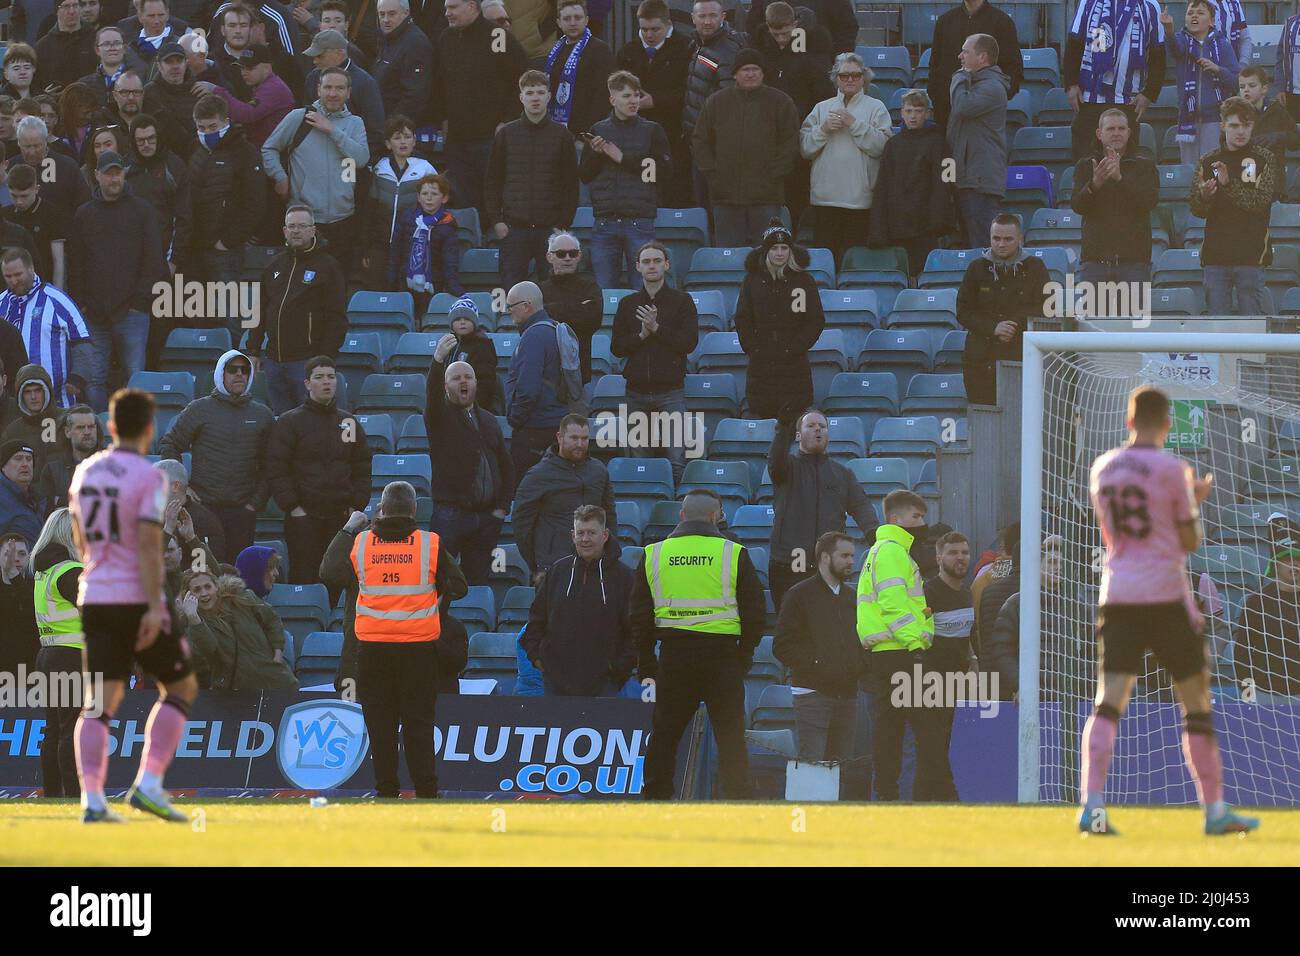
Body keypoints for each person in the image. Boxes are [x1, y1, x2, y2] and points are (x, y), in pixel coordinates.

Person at [1083, 384, 1258, 835]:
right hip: (1164, 597)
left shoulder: (1103, 468)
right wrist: (1193, 502)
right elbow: (1188, 542)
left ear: (1128, 420)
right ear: (1167, 424)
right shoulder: (1172, 469)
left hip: (1119, 594)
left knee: (1109, 702)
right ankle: (1215, 811)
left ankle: (1092, 808)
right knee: (1196, 705)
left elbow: (1115, 535)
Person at [69, 388, 198, 823]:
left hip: (96, 596)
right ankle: (148, 785)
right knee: (180, 687)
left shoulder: (85, 472)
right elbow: (148, 545)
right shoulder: (148, 478)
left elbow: (81, 539)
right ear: (148, 429)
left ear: (109, 426)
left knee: (99, 703)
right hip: (134, 597)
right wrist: (155, 605)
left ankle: (92, 800)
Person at [319, 480, 468, 798]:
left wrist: (348, 530)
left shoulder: (361, 544)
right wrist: (430, 597)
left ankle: (386, 790)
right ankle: (427, 790)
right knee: (419, 723)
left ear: (382, 510)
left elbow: (329, 572)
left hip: (372, 649)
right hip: (418, 649)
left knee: (380, 723)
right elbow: (459, 586)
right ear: (414, 510)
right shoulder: (430, 544)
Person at [633, 489, 764, 799]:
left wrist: (648, 664)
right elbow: (756, 613)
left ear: (681, 516)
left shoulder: (653, 554)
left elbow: (638, 618)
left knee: (664, 735)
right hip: (721, 657)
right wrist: (743, 657)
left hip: (674, 657)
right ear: (715, 517)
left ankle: (655, 799)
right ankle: (736, 800)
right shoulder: (733, 553)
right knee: (730, 737)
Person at [857, 489, 948, 802]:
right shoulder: (894, 552)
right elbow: (894, 604)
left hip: (887, 652)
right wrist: (916, 643)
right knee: (926, 729)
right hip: (901, 652)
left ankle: (887, 794)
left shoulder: (881, 552)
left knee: (890, 730)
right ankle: (933, 796)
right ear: (896, 519)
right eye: (916, 516)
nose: (921, 522)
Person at [265, 355, 372, 598]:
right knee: (305, 576)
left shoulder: (347, 423)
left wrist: (356, 503)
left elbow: (361, 464)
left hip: (340, 519)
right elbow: (277, 467)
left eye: (331, 377)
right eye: (320, 377)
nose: (327, 382)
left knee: (338, 578)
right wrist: (293, 506)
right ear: (307, 383)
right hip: (304, 518)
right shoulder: (291, 422)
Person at [67, 151, 164, 413]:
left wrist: (140, 301)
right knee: (94, 379)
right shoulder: (83, 214)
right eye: (108, 173)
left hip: (133, 311)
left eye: (117, 172)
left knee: (136, 378)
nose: (113, 178)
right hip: (94, 314)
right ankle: (97, 434)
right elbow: (75, 264)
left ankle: (135, 437)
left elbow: (154, 259)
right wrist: (82, 306)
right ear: (96, 175)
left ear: (124, 172)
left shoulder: (142, 210)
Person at [158, 350, 274, 562]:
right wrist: (185, 488)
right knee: (204, 571)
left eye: (245, 370)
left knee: (236, 573)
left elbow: (271, 464)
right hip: (204, 507)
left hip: (242, 510)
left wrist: (255, 503)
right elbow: (170, 444)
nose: (239, 374)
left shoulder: (262, 415)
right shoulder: (199, 409)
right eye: (232, 370)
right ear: (221, 373)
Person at [767, 407, 878, 607]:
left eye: (822, 426)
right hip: (789, 564)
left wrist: (875, 537)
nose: (818, 429)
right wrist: (783, 428)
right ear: (798, 435)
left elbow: (862, 507)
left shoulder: (843, 474)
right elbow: (775, 462)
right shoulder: (787, 468)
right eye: (811, 426)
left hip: (829, 566)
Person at [522, 504, 635, 696]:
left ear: (605, 535)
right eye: (580, 533)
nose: (585, 539)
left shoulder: (625, 577)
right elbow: (536, 618)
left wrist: (617, 669)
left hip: (604, 684)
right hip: (555, 682)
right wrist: (538, 658)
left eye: (591, 532)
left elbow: (635, 631)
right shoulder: (558, 571)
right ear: (573, 535)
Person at [609, 240, 697, 485]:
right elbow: (616, 348)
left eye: (657, 260)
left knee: (676, 459)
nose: (652, 266)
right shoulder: (627, 304)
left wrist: (656, 328)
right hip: (635, 393)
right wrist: (642, 335)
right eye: (646, 261)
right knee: (640, 462)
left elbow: (688, 343)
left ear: (667, 265)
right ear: (637, 266)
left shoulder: (682, 301)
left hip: (671, 393)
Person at [774, 530, 864, 765]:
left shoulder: (852, 597)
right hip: (812, 695)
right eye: (845, 556)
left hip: (847, 695)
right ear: (825, 557)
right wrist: (817, 664)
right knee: (813, 768)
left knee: (842, 768)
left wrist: (858, 669)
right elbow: (782, 646)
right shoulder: (799, 595)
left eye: (853, 556)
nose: (851, 562)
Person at [693, 48, 799, 247]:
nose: (750, 74)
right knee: (729, 254)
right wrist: (713, 174)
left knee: (767, 252)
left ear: (763, 73)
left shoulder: (781, 102)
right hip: (725, 196)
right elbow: (700, 141)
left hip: (767, 196)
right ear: (734, 74)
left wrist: (775, 175)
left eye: (755, 69)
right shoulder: (716, 102)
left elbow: (790, 143)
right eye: (745, 70)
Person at [485, 71, 580, 289]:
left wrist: (563, 226)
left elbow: (571, 186)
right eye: (530, 93)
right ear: (521, 97)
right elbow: (492, 181)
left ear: (549, 96)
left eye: (540, 92)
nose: (535, 97)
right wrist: (496, 221)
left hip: (550, 231)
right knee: (513, 292)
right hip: (513, 230)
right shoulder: (506, 135)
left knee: (552, 293)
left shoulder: (562, 136)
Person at [261, 67, 369, 257]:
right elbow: (269, 148)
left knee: (337, 280)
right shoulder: (299, 117)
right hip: (303, 220)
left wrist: (331, 130)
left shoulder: (355, 123)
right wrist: (280, 176)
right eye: (328, 87)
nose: (333, 94)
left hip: (343, 218)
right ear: (318, 89)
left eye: (339, 88)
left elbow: (360, 159)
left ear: (348, 92)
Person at [250, 204, 347, 414]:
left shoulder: (328, 267)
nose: (296, 230)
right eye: (291, 226)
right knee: (282, 422)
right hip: (274, 363)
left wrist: (323, 360)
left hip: (306, 363)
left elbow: (337, 318)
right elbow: (258, 310)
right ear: (284, 231)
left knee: (310, 423)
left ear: (313, 230)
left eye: (302, 226)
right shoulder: (273, 265)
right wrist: (253, 350)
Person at [579, 71, 672, 290]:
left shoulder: (652, 130)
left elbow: (664, 172)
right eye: (627, 96)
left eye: (637, 96)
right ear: (612, 100)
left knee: (643, 290)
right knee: (605, 291)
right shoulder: (599, 130)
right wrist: (596, 153)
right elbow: (585, 175)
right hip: (605, 223)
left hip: (639, 222)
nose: (634, 101)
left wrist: (622, 158)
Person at [437, 0, 528, 220]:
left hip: (491, 138)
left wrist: (507, 120)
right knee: (463, 199)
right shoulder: (445, 39)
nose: (447, 13)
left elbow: (522, 79)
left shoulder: (497, 36)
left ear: (471, 6)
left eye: (453, 8)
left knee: (492, 197)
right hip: (457, 140)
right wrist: (444, 122)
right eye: (446, 8)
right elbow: (439, 85)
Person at [424, 358, 511, 585]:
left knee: (477, 581)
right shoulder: (439, 417)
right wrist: (437, 363)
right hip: (450, 516)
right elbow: (432, 397)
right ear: (445, 386)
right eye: (456, 378)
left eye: (468, 377)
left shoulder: (490, 421)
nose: (463, 381)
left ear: (475, 382)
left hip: (486, 518)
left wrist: (502, 507)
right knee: (438, 579)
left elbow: (506, 465)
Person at [800, 51, 892, 265]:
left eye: (856, 75)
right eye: (844, 75)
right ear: (836, 79)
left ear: (864, 77)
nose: (850, 79)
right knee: (826, 261)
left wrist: (855, 124)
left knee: (855, 262)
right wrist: (823, 129)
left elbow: (883, 147)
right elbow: (805, 149)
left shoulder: (876, 107)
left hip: (860, 201)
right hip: (825, 199)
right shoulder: (821, 108)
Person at [1190, 95, 1275, 316]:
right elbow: (1196, 209)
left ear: (1253, 126)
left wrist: (1228, 185)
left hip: (1251, 255)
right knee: (1219, 329)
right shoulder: (1207, 162)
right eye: (1234, 125)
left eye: (1246, 125)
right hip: (1215, 256)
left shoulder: (1265, 159)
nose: (1241, 131)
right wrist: (1205, 197)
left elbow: (1259, 203)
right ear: (1223, 125)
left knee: (1252, 328)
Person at [733, 218, 825, 422]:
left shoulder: (804, 281)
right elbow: (743, 319)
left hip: (794, 367)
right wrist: (753, 348)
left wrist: (795, 347)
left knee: (792, 429)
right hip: (761, 367)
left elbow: (815, 320)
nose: (780, 253)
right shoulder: (752, 281)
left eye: (784, 247)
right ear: (766, 251)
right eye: (775, 247)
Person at [173, 93, 265, 289]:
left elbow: (255, 202)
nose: (207, 133)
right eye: (201, 128)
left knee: (227, 313)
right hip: (195, 246)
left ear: (226, 122)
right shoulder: (194, 148)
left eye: (213, 127)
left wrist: (228, 241)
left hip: (225, 250)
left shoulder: (246, 153)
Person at [956, 213, 1049, 406]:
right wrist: (993, 328)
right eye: (996, 238)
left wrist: (1014, 326)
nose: (1001, 244)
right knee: (983, 418)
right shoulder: (976, 268)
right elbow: (963, 311)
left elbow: (1046, 307)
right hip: (980, 362)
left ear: (1020, 239)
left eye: (1008, 239)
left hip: (1022, 357)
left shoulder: (1035, 267)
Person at [513, 413, 618, 579]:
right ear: (559, 437)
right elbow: (522, 524)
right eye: (574, 438)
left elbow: (609, 515)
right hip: (552, 566)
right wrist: (537, 563)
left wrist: (610, 552)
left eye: (584, 439)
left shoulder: (599, 471)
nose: (580, 444)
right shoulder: (538, 475)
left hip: (593, 564)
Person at [1065, 0, 1166, 161]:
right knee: (1085, 163)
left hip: (1127, 99)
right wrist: (1070, 83)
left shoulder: (1150, 5)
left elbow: (1158, 52)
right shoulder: (1088, 1)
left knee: (1125, 165)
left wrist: (1149, 93)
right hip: (1089, 98)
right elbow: (1075, 41)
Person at [867, 89, 954, 277]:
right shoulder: (893, 144)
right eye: (908, 111)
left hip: (926, 225)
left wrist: (938, 220)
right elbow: (883, 185)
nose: (913, 116)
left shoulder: (940, 143)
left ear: (927, 113)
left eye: (918, 111)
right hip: (898, 223)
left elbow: (946, 183)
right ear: (901, 113)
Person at [1070, 107, 1159, 286]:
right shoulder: (1086, 166)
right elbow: (1077, 206)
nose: (1116, 133)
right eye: (1110, 129)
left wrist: (1120, 179)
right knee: (1094, 315)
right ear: (1099, 133)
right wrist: (1094, 184)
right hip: (1095, 264)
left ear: (1129, 133)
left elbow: (1148, 203)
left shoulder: (1145, 166)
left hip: (1134, 264)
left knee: (1134, 315)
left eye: (1121, 129)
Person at [615, 0, 692, 206]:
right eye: (644, 29)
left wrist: (656, 101)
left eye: (655, 29)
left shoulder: (685, 48)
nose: (649, 35)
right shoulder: (627, 52)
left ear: (668, 24)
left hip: (673, 132)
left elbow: (690, 91)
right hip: (635, 133)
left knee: (672, 187)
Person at [30, 508, 83, 798]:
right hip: (72, 657)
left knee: (54, 729)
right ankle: (75, 796)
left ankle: (53, 794)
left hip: (49, 655)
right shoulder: (71, 572)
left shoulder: (45, 572)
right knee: (72, 729)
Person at [177, 564, 298, 689]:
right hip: (234, 694)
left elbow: (271, 619)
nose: (204, 593)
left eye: (208, 587)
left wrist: (278, 652)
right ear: (188, 596)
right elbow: (210, 650)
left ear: (216, 587)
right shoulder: (192, 627)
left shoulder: (242, 598)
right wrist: (194, 619)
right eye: (197, 590)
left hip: (276, 681)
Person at [0, 247, 90, 409]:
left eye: (18, 275)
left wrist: (77, 377)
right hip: (10, 406)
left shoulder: (57, 300)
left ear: (31, 268)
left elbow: (82, 341)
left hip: (57, 403)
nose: (13, 281)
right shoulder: (1, 303)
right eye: (8, 276)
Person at [922, 529, 974, 801]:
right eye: (953, 553)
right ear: (939, 557)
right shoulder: (927, 593)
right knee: (933, 749)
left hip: (959, 685)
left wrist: (973, 660)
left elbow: (965, 638)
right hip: (931, 686)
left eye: (964, 552)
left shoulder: (966, 594)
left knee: (951, 747)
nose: (960, 558)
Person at [504, 280, 570, 487]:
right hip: (553, 423)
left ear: (527, 305)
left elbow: (528, 388)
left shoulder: (534, 335)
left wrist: (516, 418)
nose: (509, 313)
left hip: (534, 429)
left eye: (511, 307)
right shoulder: (553, 329)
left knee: (527, 492)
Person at [947, 32, 1009, 250]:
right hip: (968, 176)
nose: (960, 56)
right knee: (969, 244)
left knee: (982, 245)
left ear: (982, 58)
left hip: (981, 181)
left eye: (966, 51)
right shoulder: (974, 83)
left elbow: (963, 107)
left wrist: (958, 76)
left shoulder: (992, 87)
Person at [361, 113, 437, 290]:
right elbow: (369, 211)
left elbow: (436, 207)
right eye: (397, 137)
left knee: (407, 291)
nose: (403, 142)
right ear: (388, 143)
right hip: (381, 244)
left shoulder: (425, 169)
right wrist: (365, 247)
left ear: (414, 140)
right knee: (378, 289)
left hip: (411, 244)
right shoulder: (380, 168)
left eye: (407, 137)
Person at [681, 0, 745, 209]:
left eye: (713, 16)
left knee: (713, 205)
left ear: (723, 17)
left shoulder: (728, 49)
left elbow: (730, 100)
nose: (707, 21)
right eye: (702, 16)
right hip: (698, 140)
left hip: (715, 145)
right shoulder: (698, 44)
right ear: (693, 18)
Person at [1163, 0, 1240, 166]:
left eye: (1200, 12)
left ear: (1211, 20)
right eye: (1190, 13)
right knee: (1190, 170)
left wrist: (1218, 69)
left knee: (1213, 168)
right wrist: (1169, 30)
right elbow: (1174, 49)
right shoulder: (1180, 40)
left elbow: (1236, 82)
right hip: (1187, 118)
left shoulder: (1223, 45)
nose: (1194, 16)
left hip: (1214, 118)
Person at [125, 114, 188, 315]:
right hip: (131, 263)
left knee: (163, 323)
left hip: (164, 260)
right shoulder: (124, 168)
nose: (146, 144)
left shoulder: (174, 166)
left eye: (151, 138)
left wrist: (173, 260)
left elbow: (184, 218)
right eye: (141, 140)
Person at [927, 0, 1022, 128]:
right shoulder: (945, 21)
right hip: (947, 112)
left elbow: (1013, 68)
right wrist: (938, 98)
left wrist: (992, 98)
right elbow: (935, 65)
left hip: (985, 117)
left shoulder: (1002, 22)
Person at [1234, 542, 1300, 702]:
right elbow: (1242, 651)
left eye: (1298, 559)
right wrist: (1247, 692)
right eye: (1287, 559)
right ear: (1275, 564)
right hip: (1265, 693)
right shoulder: (1256, 602)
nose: (1295, 564)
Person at [303, 29, 385, 159]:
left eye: (320, 56)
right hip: (317, 157)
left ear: (339, 53)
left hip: (351, 162)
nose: (315, 61)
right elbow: (307, 120)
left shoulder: (365, 83)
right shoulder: (313, 78)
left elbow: (375, 132)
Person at [198, 43, 295, 147]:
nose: (244, 72)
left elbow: (248, 114)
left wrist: (216, 90)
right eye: (242, 68)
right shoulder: (262, 84)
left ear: (267, 68)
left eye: (250, 68)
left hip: (275, 152)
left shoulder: (273, 88)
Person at [387, 172, 462, 306]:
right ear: (418, 197)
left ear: (444, 198)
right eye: (425, 194)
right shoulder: (406, 217)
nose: (429, 198)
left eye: (434, 194)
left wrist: (454, 289)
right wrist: (391, 280)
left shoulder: (448, 224)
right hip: (404, 281)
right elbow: (396, 250)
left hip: (433, 283)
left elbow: (450, 260)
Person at [544, 0, 616, 137]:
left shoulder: (600, 49)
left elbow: (603, 95)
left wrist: (586, 134)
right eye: (567, 18)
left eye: (577, 17)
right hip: (556, 132)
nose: (572, 23)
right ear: (559, 22)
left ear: (587, 20)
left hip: (585, 133)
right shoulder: (555, 51)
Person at [537, 231, 601, 385]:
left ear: (579, 256)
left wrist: (549, 310)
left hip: (578, 373)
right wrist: (576, 308)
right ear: (549, 257)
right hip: (545, 373)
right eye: (561, 254)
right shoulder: (538, 289)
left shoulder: (590, 287)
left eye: (572, 253)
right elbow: (533, 323)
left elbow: (592, 321)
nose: (567, 258)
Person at [5, 163, 71, 289]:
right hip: (11, 286)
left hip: (43, 284)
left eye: (24, 196)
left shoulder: (51, 214)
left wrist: (57, 292)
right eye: (14, 195)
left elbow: (58, 261)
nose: (19, 201)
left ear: (36, 189)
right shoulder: (5, 215)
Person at [1239, 67, 1300, 201]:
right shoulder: (1237, 114)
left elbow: (1296, 140)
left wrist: (1278, 137)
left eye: (1252, 85)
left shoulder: (1277, 111)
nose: (1246, 90)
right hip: (1245, 177)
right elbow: (1224, 142)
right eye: (1242, 87)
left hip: (1274, 180)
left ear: (1264, 89)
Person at [372, 0, 435, 125]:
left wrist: (392, 126)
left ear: (406, 13)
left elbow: (415, 95)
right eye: (382, 14)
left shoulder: (415, 43)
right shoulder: (389, 38)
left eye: (391, 14)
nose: (385, 20)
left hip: (398, 130)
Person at [16, 117, 92, 218]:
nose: (32, 152)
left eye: (37, 146)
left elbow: (84, 205)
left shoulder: (67, 167)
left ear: (46, 141)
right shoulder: (12, 167)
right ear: (19, 143)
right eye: (27, 146)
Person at [3, 364, 68, 478]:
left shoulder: (67, 419)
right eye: (27, 392)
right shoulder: (12, 432)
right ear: (20, 395)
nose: (33, 397)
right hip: (28, 493)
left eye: (38, 390)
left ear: (47, 391)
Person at [142, 39, 199, 160]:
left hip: (198, 157)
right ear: (159, 66)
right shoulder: (149, 94)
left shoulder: (199, 90)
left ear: (185, 63)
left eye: (179, 61)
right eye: (169, 62)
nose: (175, 66)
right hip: (164, 160)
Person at [36, 404, 100, 508]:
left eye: (91, 427)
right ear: (67, 432)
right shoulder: (52, 470)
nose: (87, 432)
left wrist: (61, 500)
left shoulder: (110, 465)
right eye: (80, 427)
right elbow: (47, 514)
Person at [34, 0, 99, 91]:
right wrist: (45, 95)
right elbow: (35, 84)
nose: (72, 11)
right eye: (66, 6)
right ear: (57, 11)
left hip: (90, 101)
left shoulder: (95, 39)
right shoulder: (42, 47)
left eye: (75, 5)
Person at [746, 0, 855, 54]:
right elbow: (753, 26)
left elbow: (847, 28)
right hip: (776, 63)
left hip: (819, 63)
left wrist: (833, 60)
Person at [77, 25, 145, 109]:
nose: (112, 48)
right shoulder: (85, 84)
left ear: (124, 48)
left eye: (117, 43)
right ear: (97, 50)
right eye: (106, 44)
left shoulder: (139, 79)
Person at [0, 439, 45, 545]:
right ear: (3, 466)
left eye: (29, 459)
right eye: (18, 459)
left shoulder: (37, 499)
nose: (25, 464)